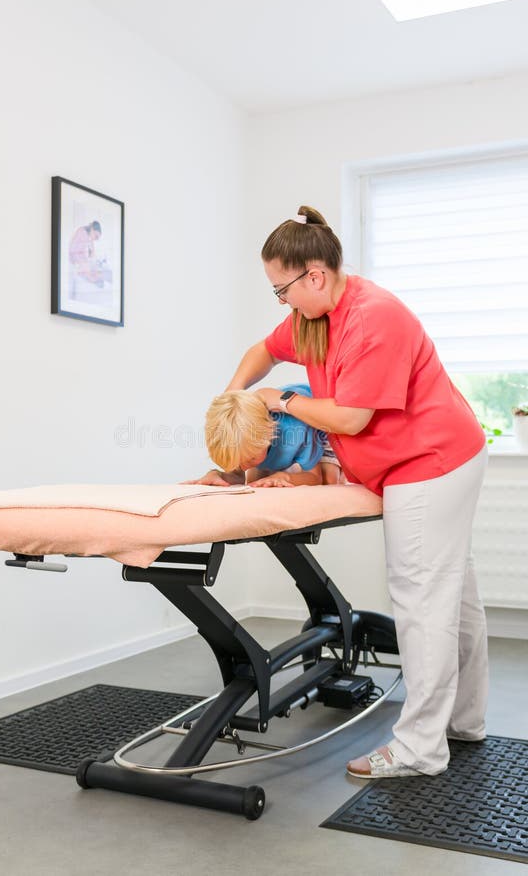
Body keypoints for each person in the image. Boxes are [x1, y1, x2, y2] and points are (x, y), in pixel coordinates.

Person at [206, 205, 488, 779]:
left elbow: (353, 419)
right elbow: (263, 351)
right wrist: (231, 397)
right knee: (451, 596)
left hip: (430, 461)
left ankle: (419, 749)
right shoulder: (316, 318)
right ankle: (462, 721)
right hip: (420, 461)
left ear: (315, 275)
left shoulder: (373, 317)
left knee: (421, 599)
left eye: (282, 288)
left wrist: (278, 401)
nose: (280, 301)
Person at [195, 383, 342, 487]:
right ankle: (282, 464)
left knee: (329, 481)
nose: (244, 467)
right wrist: (219, 475)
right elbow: (238, 477)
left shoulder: (297, 433)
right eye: (240, 462)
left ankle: (289, 466)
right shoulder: (247, 442)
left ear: (268, 437)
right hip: (271, 442)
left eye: (251, 458)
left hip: (319, 423)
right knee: (255, 484)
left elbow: (315, 477)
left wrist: (286, 477)